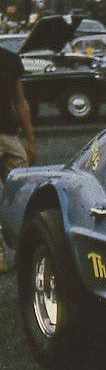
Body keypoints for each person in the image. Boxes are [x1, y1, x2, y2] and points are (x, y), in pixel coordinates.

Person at [0, 45, 37, 272]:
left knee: (23, 194)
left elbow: (20, 102)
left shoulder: (10, 59)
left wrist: (31, 140)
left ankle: (27, 251)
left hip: (10, 135)